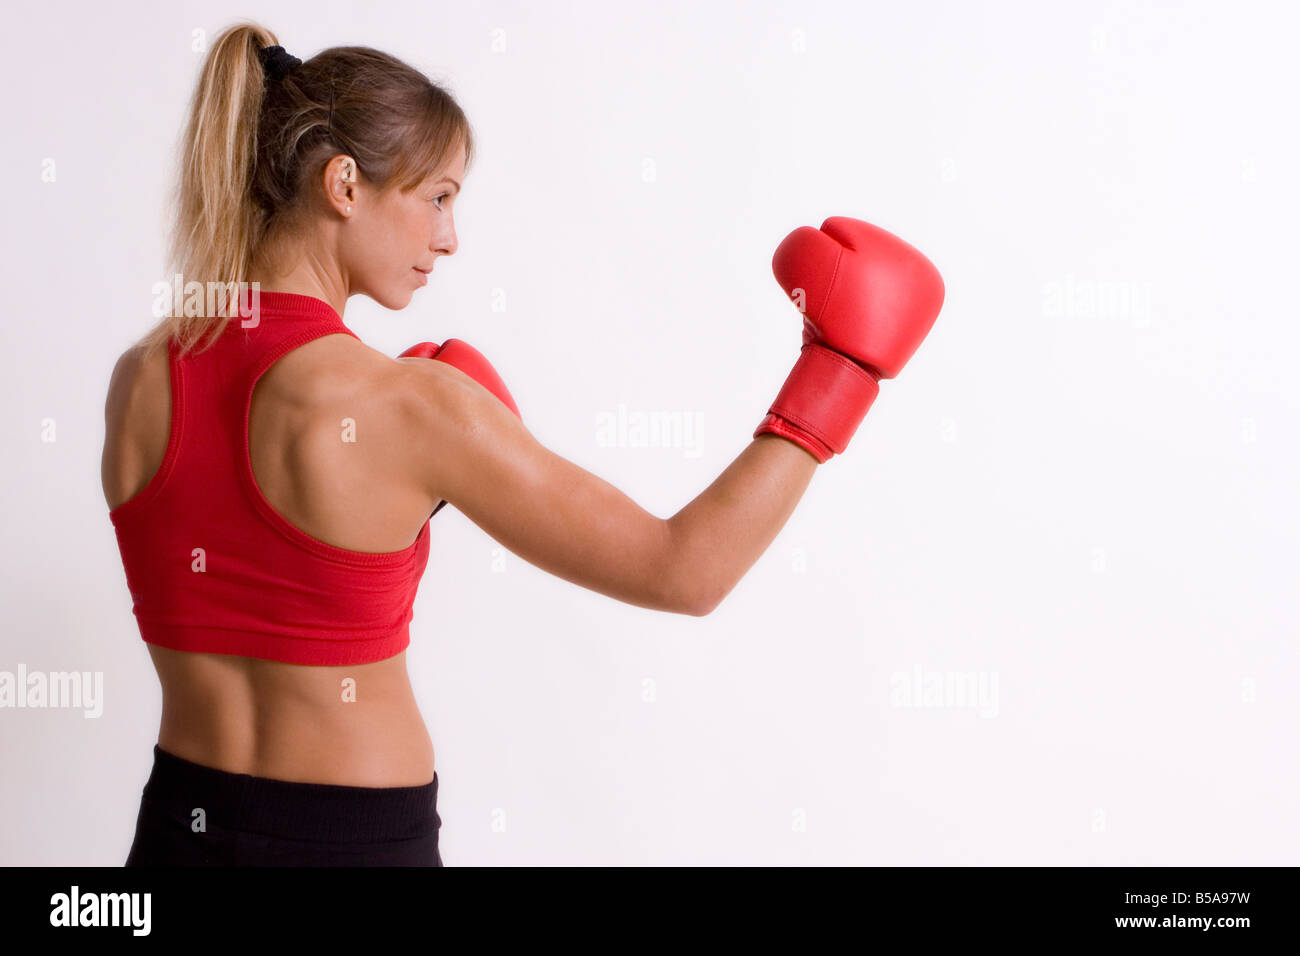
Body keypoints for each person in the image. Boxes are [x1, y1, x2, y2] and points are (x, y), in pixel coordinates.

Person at [102, 21, 945, 867]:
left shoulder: (137, 381)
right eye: (436, 197)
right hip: (354, 844)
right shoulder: (415, 407)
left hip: (178, 832)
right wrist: (841, 372)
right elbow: (684, 570)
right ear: (344, 185)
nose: (449, 237)